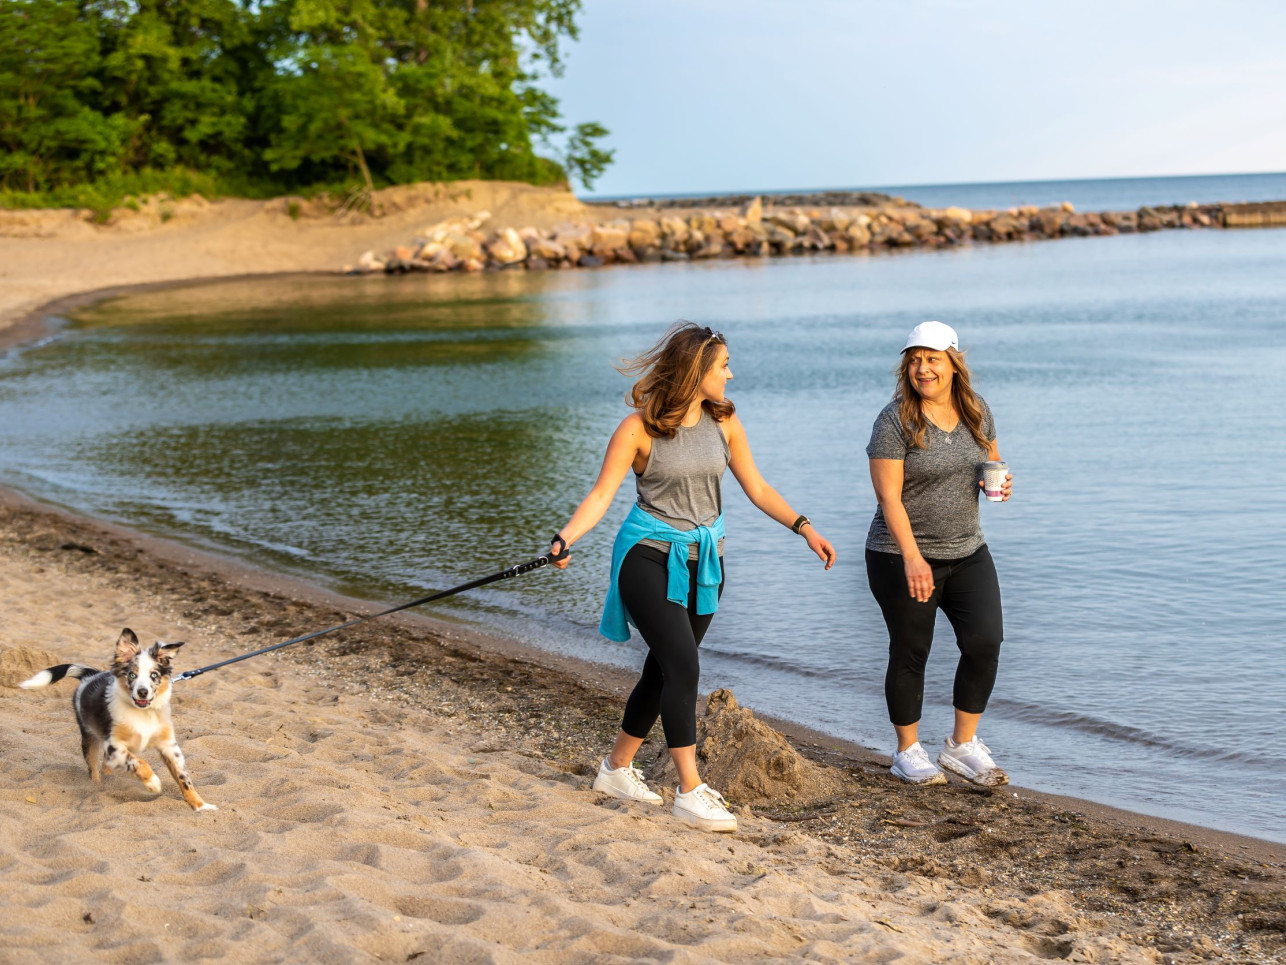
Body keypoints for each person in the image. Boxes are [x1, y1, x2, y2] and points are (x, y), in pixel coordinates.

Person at [550, 322, 836, 832]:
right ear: (697, 370)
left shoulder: (724, 423)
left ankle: (615, 769)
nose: (731, 373)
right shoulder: (637, 429)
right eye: (723, 365)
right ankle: (690, 788)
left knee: (662, 671)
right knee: (683, 668)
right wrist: (564, 539)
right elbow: (600, 496)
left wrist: (804, 527)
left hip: (705, 563)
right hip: (647, 557)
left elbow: (758, 486)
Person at [865, 320, 1013, 787]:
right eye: (914, 360)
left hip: (968, 549)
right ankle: (907, 750)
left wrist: (1000, 484)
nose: (921, 368)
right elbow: (889, 498)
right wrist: (912, 558)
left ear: (953, 363)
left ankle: (961, 745)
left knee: (985, 641)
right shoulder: (894, 422)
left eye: (931, 359)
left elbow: (990, 462)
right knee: (912, 651)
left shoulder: (975, 410)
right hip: (899, 553)